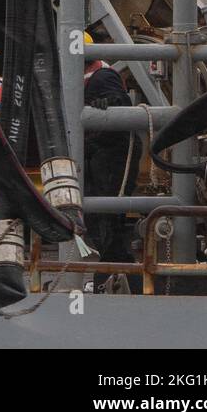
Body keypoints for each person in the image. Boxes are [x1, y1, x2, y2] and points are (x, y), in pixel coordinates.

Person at [82, 31, 141, 268]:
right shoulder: (90, 76)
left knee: (105, 212)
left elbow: (122, 103)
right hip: (101, 151)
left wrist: (110, 103)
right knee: (99, 212)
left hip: (112, 153)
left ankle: (115, 265)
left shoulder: (102, 76)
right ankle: (114, 265)